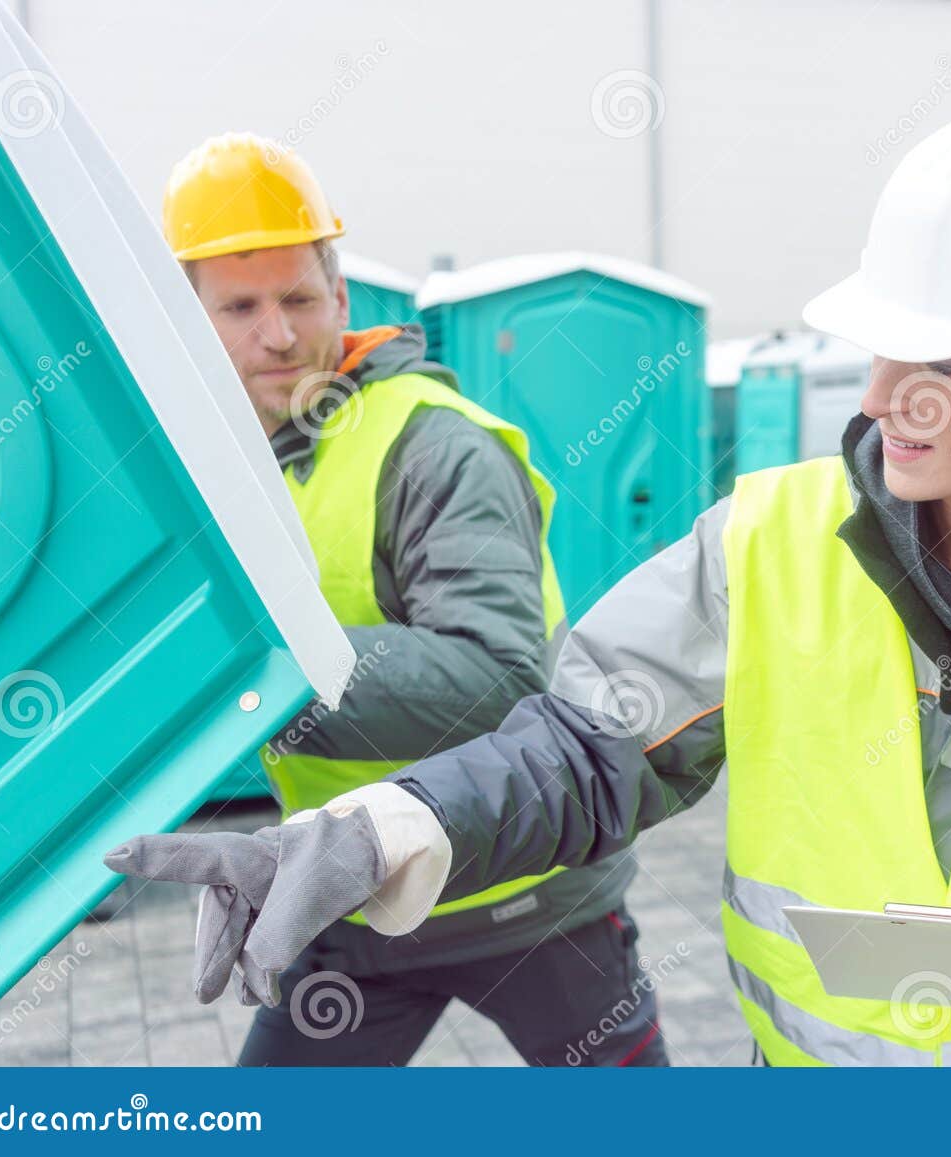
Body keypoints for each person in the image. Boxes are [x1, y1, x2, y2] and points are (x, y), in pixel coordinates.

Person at [111, 107, 951, 1067]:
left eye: (935, 363)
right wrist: (377, 828)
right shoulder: (767, 543)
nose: (878, 400)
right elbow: (577, 752)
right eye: (878, 351)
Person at [140, 133, 665, 1067]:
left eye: (300, 298)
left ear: (340, 298)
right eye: (240, 307)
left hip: (523, 892)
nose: (278, 333)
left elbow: (495, 674)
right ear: (191, 323)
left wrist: (251, 666)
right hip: (346, 890)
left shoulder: (438, 445)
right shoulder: (223, 470)